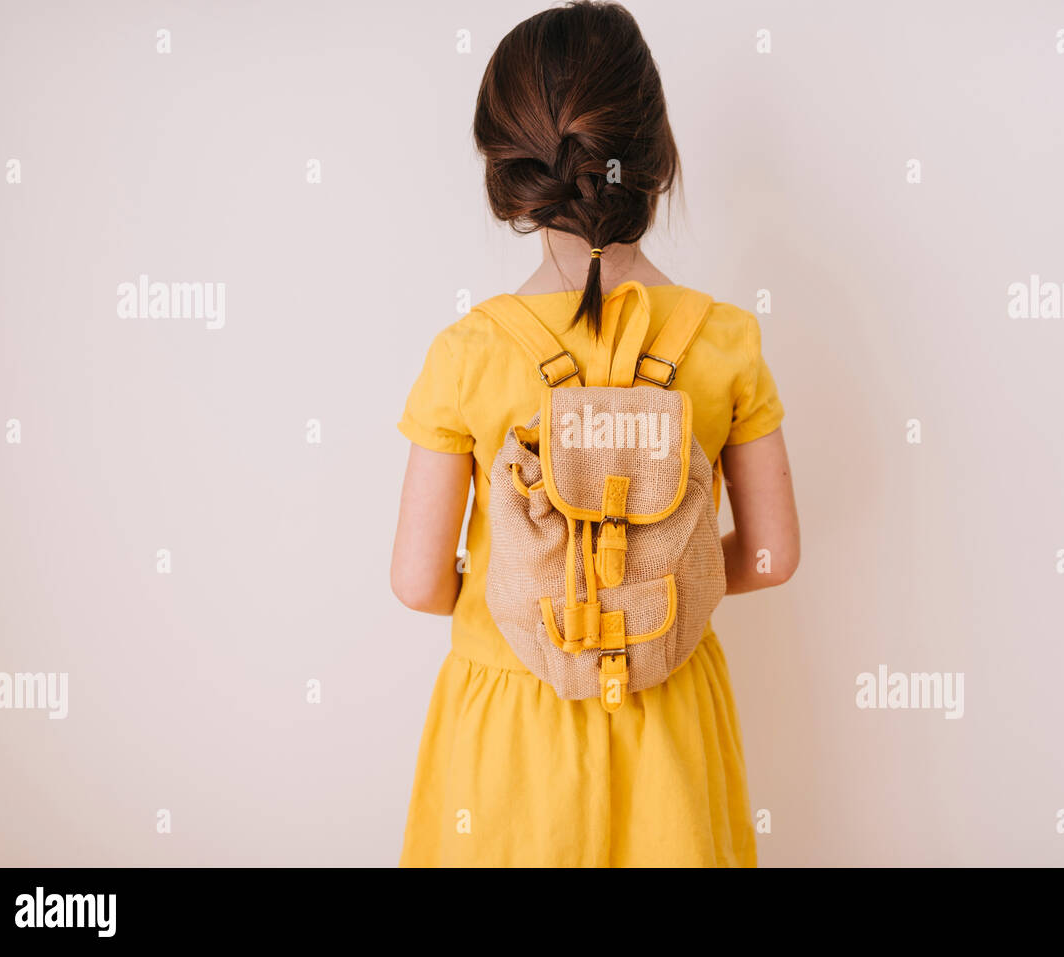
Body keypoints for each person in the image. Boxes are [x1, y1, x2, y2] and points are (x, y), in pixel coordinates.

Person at [390, 1, 799, 867]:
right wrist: (644, 592)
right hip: (667, 722)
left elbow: (419, 580)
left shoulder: (467, 353)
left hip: (507, 733)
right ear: (655, 160)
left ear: (508, 172)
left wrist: (545, 597)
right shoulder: (724, 342)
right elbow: (773, 554)